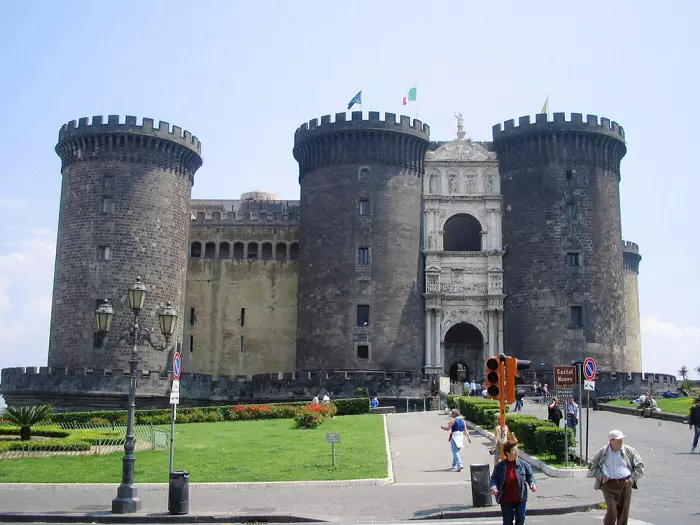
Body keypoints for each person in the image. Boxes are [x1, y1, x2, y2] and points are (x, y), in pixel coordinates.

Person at [587, 429, 645, 525]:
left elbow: (640, 466)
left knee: (624, 510)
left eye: (622, 439)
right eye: (618, 439)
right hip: (608, 485)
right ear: (611, 440)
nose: (621, 441)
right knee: (612, 510)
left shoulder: (629, 450)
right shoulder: (603, 451)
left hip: (625, 483)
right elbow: (593, 465)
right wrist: (601, 476)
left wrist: (632, 478)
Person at [489, 440, 536, 525]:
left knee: (521, 519)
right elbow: (493, 479)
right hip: (506, 499)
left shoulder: (523, 464)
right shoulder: (500, 466)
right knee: (507, 521)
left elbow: (530, 475)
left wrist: (532, 484)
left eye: (517, 450)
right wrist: (493, 488)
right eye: (514, 450)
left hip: (520, 498)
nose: (516, 452)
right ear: (507, 453)